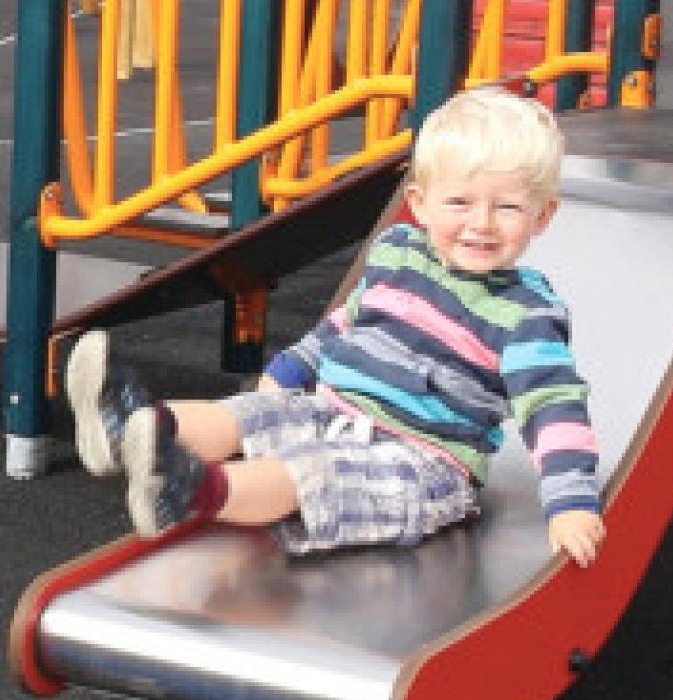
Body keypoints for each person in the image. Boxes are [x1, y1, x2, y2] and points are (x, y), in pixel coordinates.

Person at [66, 87, 606, 567]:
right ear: (418, 204)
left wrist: (572, 505)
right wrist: (289, 370)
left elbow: (554, 410)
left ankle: (194, 492)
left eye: (507, 207)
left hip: (423, 461)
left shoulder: (525, 315)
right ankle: (131, 425)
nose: (481, 224)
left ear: (542, 216)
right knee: (247, 413)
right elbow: (346, 326)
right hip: (334, 409)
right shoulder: (398, 255)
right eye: (460, 202)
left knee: (312, 475)